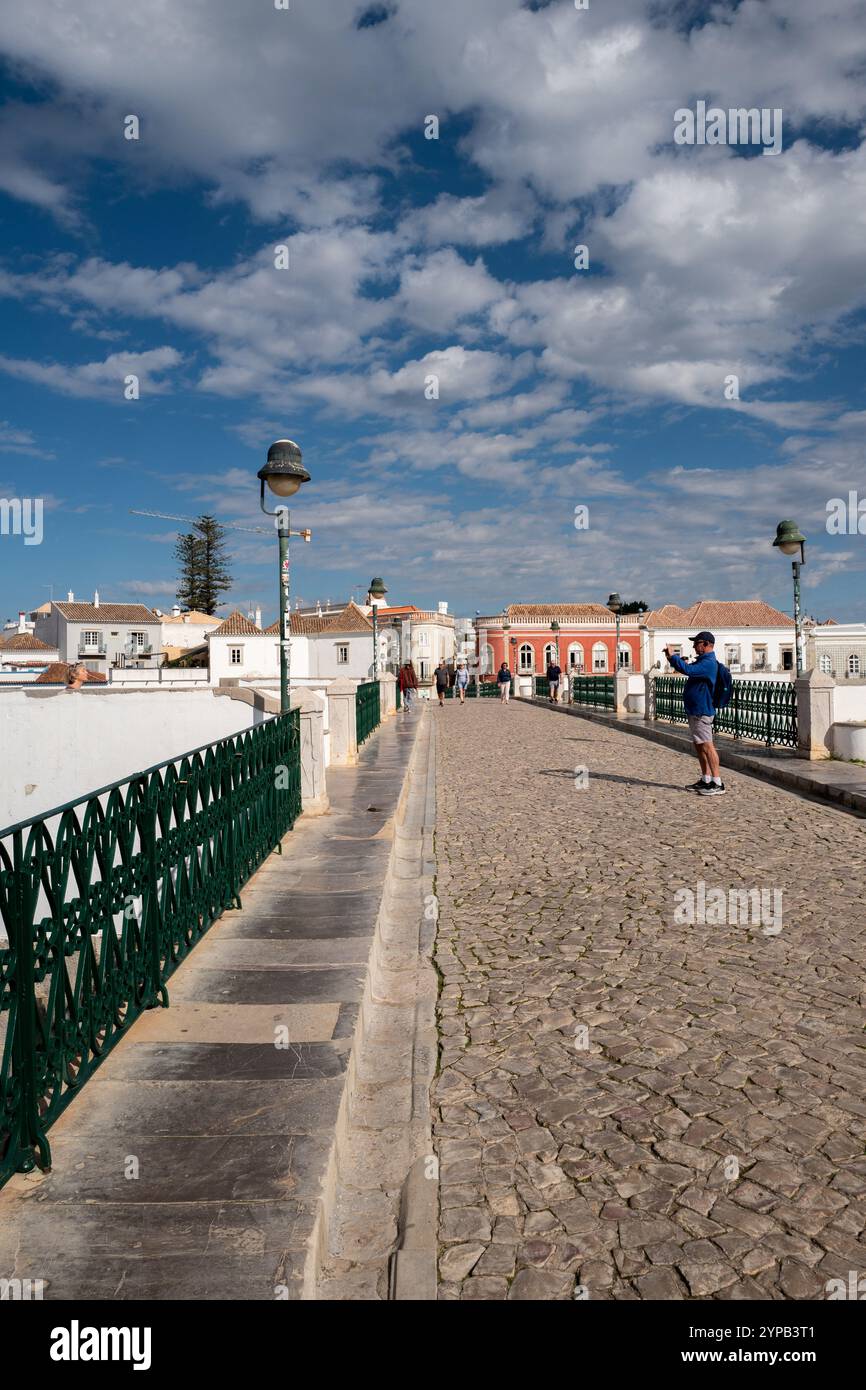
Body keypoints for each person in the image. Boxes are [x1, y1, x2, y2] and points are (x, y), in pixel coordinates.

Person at [663, 631, 725, 796]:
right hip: (695, 709)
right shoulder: (703, 661)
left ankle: (717, 782)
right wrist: (671, 659)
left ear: (705, 644)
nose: (694, 646)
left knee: (707, 745)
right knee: (699, 746)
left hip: (702, 710)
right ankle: (705, 779)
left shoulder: (709, 663)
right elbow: (686, 669)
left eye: (696, 643)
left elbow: (688, 670)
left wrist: (674, 656)